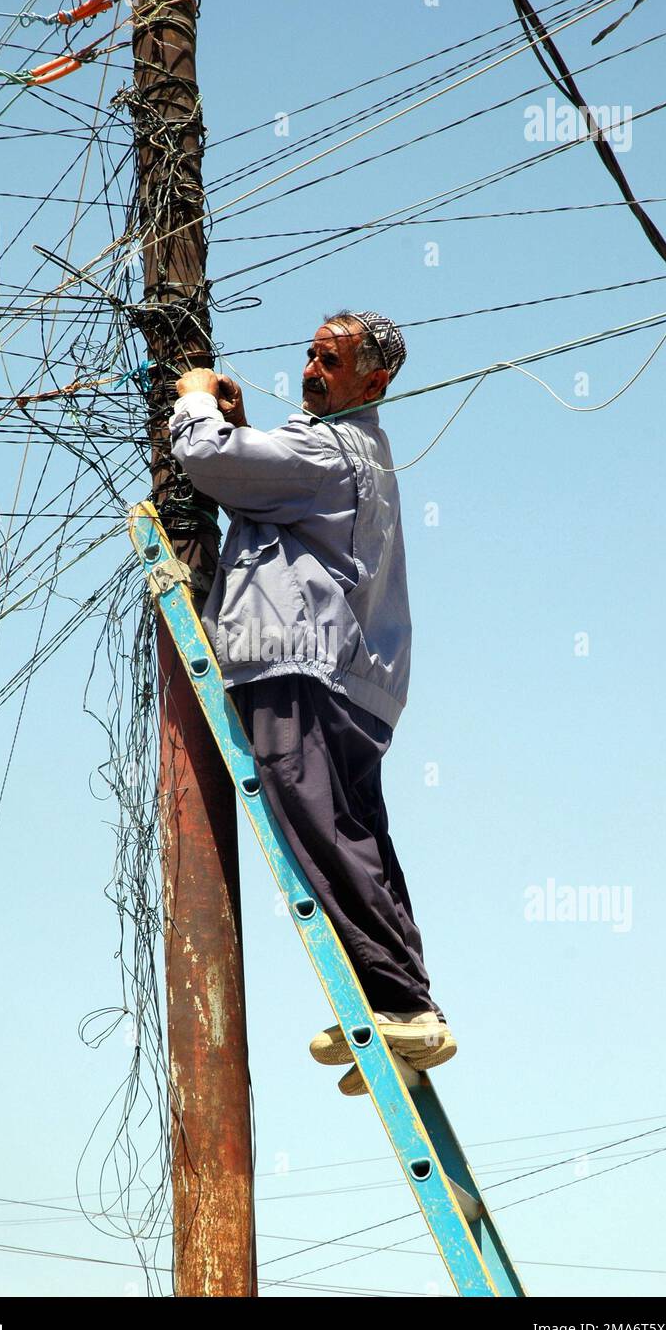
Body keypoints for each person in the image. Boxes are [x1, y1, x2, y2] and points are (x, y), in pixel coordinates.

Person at [167, 310, 456, 1095]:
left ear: (373, 381)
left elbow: (205, 457)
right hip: (350, 681)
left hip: (300, 666)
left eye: (329, 362)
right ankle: (394, 1004)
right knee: (353, 834)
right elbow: (264, 495)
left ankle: (400, 1001)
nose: (309, 370)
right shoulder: (351, 452)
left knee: (321, 828)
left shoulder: (328, 449)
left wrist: (196, 398)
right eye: (310, 355)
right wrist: (244, 430)